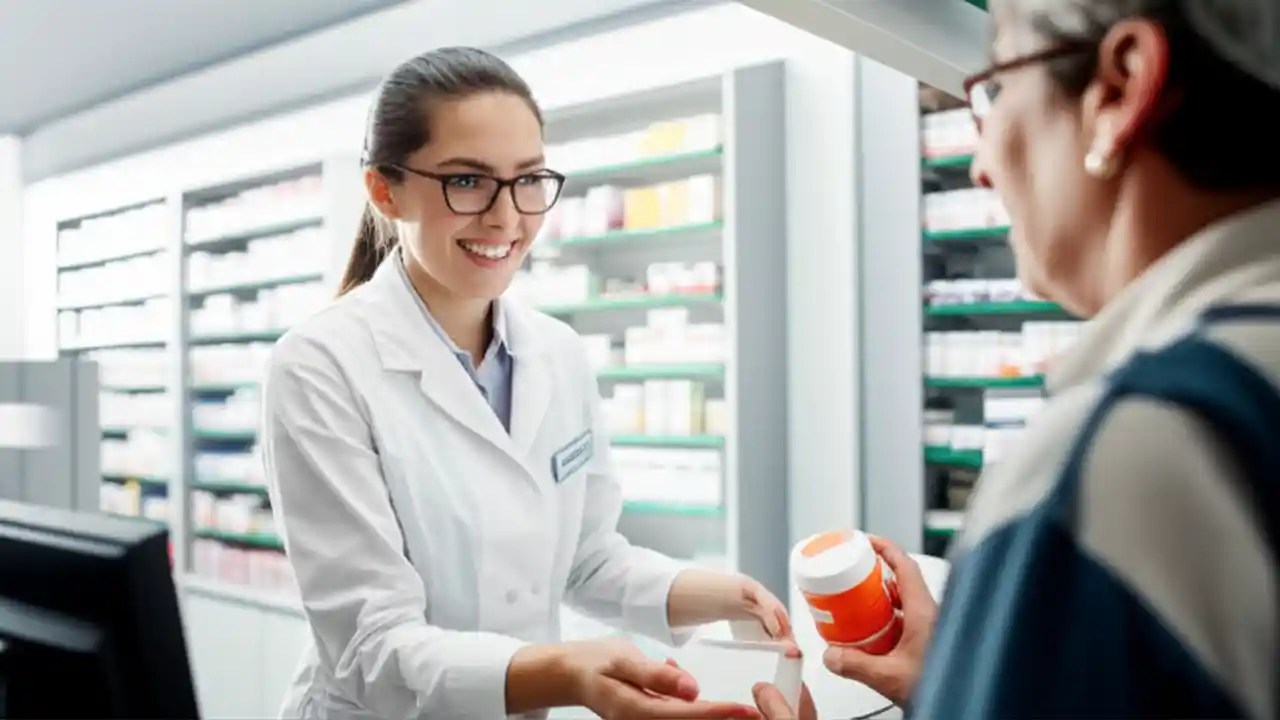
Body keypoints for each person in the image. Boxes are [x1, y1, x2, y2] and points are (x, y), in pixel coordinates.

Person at [755, 0, 1279, 717]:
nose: (980, 164)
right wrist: (974, 673)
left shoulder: (1121, 455)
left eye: (994, 90)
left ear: (1120, 90)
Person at [262, 46, 789, 720]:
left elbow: (585, 559)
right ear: (384, 190)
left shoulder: (556, 352)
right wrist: (567, 672)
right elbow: (371, 646)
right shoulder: (320, 366)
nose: (508, 217)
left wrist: (719, 594)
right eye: (467, 181)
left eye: (529, 179)